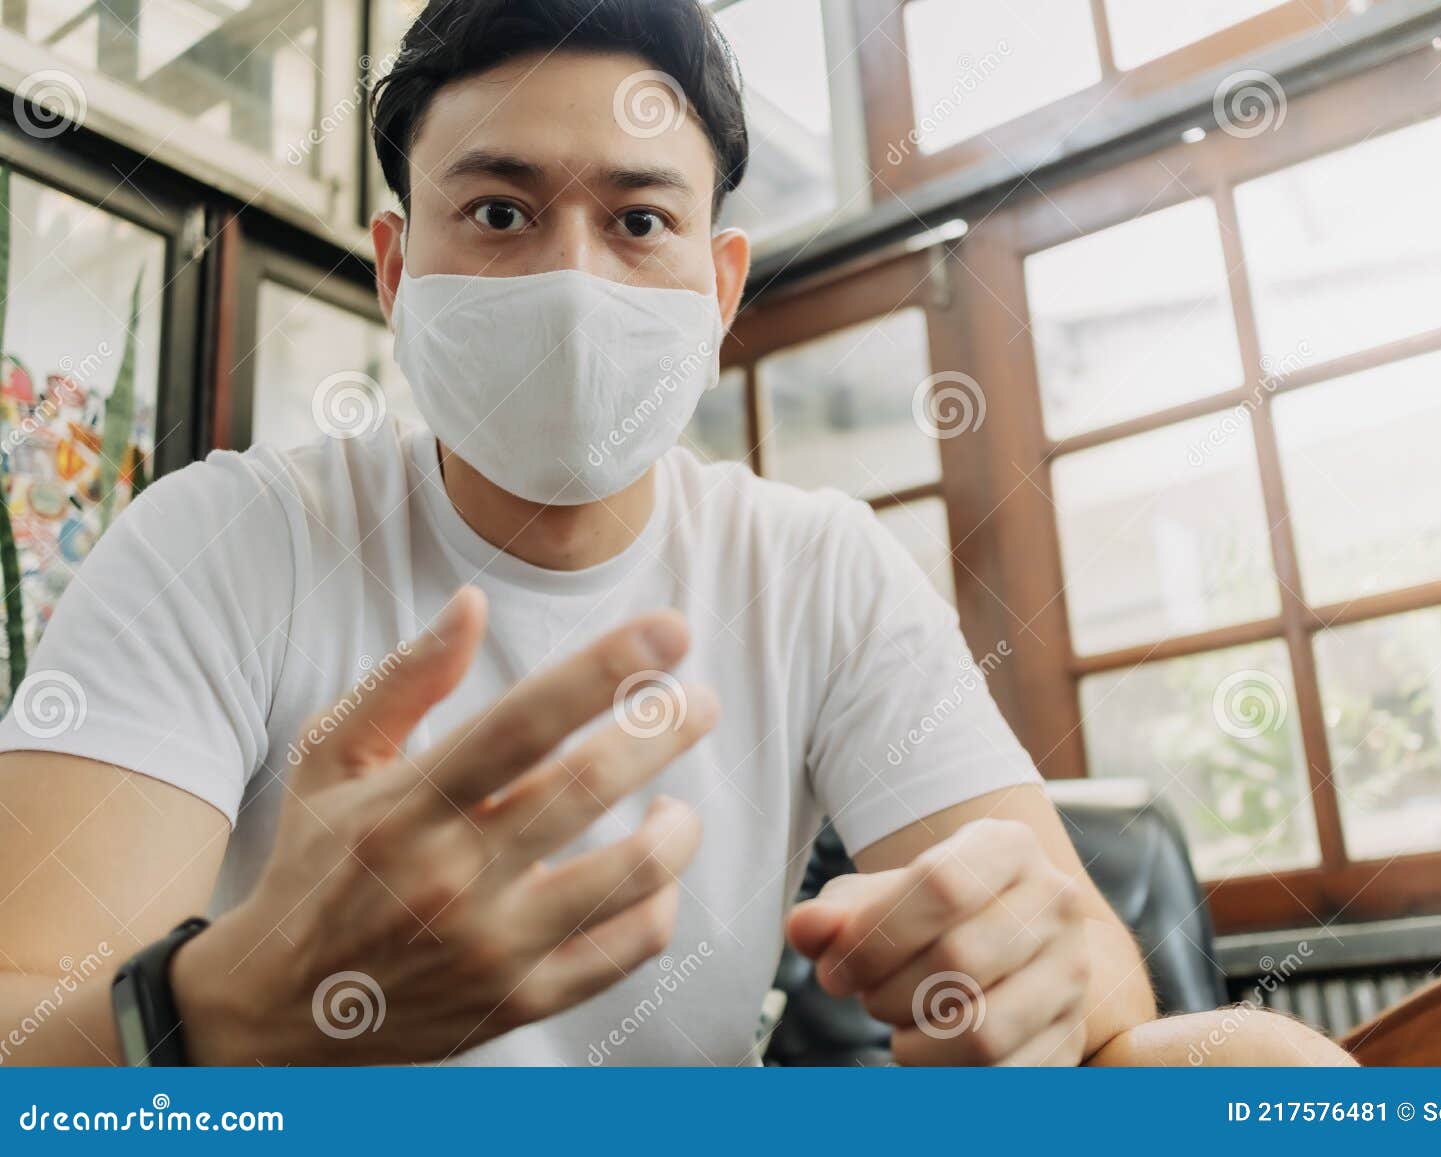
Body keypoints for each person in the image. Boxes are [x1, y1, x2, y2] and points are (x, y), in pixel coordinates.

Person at [0, 0, 1350, 1067]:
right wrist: (234, 1004)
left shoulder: (818, 571)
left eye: (639, 220)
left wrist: (1046, 977)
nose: (573, 281)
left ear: (719, 285)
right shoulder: (223, 542)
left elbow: (1094, 994)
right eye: (500, 212)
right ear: (399, 270)